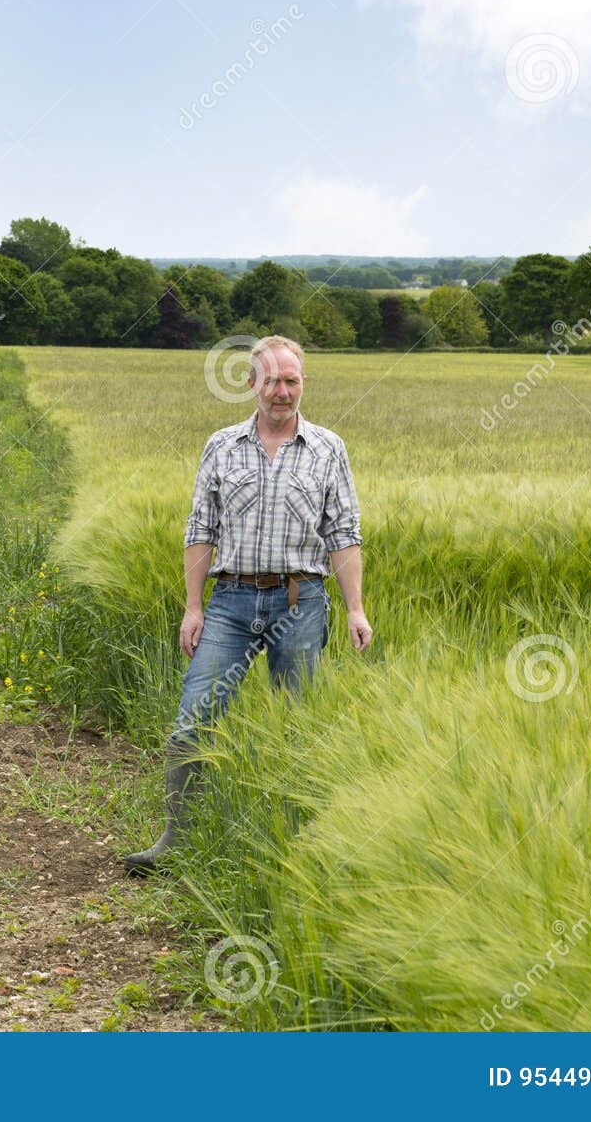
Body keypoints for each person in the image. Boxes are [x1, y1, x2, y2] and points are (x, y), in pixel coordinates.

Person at [122, 335, 373, 877]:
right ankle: (176, 841)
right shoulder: (222, 446)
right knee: (192, 724)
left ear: (303, 383)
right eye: (272, 381)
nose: (282, 391)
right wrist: (194, 607)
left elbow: (344, 532)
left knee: (297, 727)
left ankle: (297, 845)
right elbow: (200, 528)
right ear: (252, 383)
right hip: (231, 600)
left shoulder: (329, 447)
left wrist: (355, 608)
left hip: (300, 602)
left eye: (292, 380)